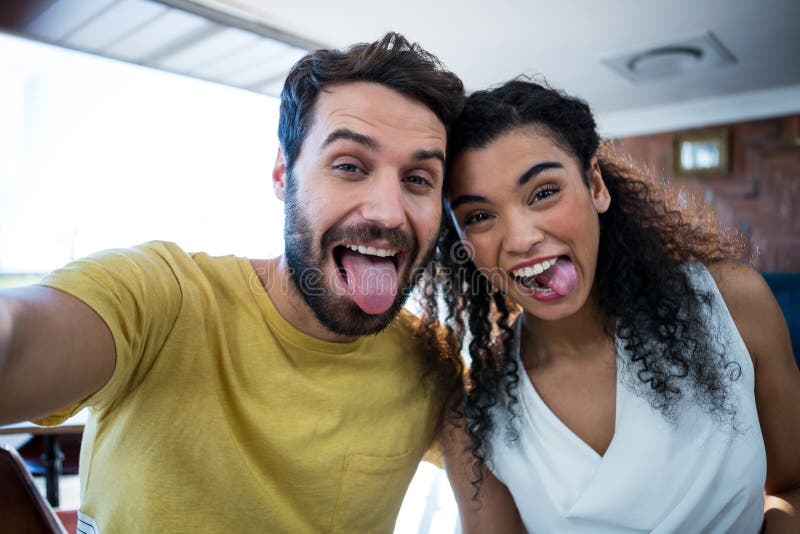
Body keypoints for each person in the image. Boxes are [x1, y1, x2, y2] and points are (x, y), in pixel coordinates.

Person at [0, 33, 464, 532]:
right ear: (284, 174)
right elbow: (21, 333)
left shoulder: (430, 361)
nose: (388, 213)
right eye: (349, 166)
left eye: (418, 179)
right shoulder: (163, 298)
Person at [423, 79, 800, 532]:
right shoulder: (472, 412)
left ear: (596, 186)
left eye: (544, 192)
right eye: (479, 216)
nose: (522, 239)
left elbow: (792, 485)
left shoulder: (733, 302)